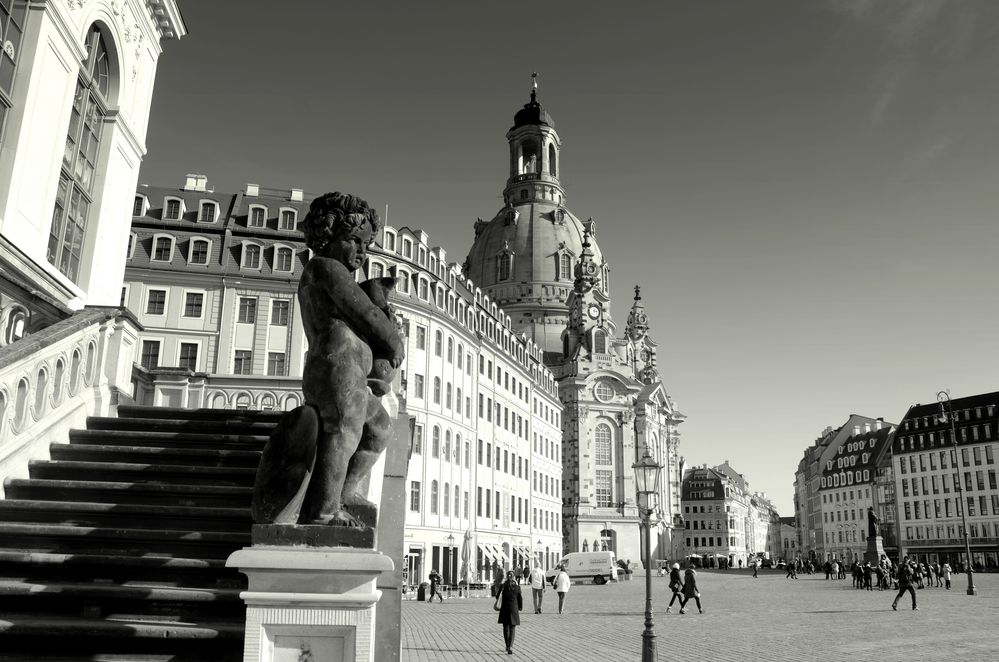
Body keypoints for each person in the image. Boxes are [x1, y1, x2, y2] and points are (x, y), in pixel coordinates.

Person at [296, 192, 405, 526]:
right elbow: (364, 312)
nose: (361, 251)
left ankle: (345, 492)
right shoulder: (326, 268)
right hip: (334, 365)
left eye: (366, 245)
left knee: (379, 429)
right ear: (327, 238)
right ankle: (323, 510)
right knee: (343, 430)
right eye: (354, 241)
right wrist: (392, 339)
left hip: (352, 371)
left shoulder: (334, 270)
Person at [496, 571, 523, 655]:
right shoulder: (517, 587)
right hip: (513, 609)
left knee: (505, 628)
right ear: (514, 577)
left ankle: (507, 645)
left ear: (507, 577)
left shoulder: (503, 586)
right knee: (512, 628)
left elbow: (497, 596)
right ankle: (510, 646)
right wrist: (520, 607)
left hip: (504, 609)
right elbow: (520, 599)